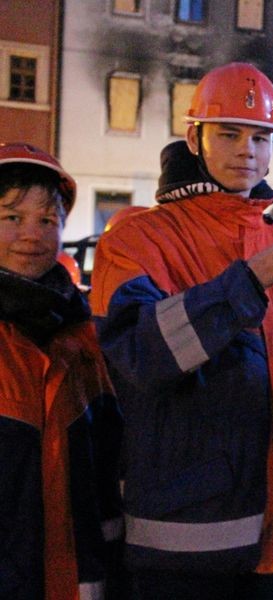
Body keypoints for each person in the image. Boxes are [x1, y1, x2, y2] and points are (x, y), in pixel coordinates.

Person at [90, 62, 273, 600]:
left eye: (260, 137)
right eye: (228, 133)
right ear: (194, 137)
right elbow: (141, 353)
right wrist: (255, 278)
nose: (246, 150)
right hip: (186, 542)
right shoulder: (138, 241)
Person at [0, 142, 123, 599]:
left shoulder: (82, 340)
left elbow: (109, 471)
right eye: (12, 217)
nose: (31, 233)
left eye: (47, 220)